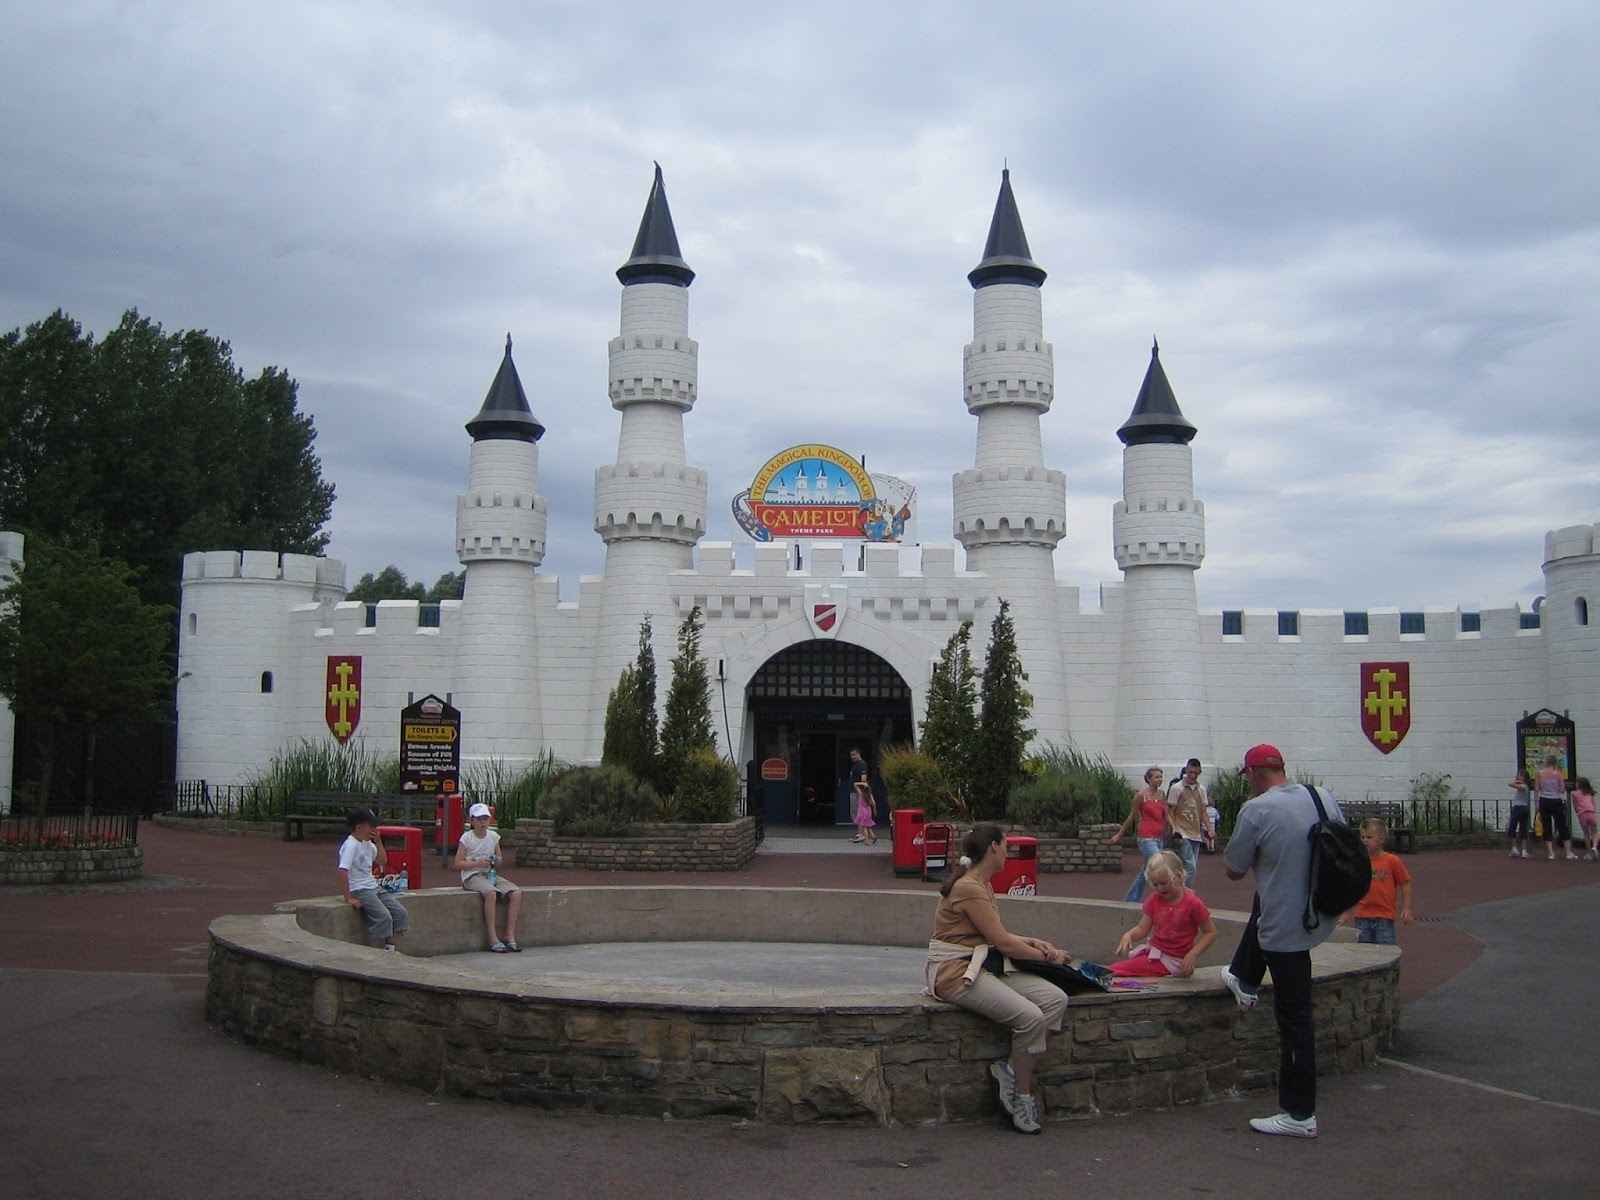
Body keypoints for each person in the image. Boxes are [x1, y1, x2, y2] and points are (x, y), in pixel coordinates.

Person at [1221, 744, 1343, 1139]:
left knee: (1295, 1019)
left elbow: (1234, 870)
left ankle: (1299, 1113)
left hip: (1286, 929)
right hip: (1320, 910)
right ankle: (1244, 977)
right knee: (1265, 900)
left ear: (1254, 774)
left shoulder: (1256, 809)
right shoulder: (1319, 796)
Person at [924, 823, 1071, 1135]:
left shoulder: (982, 884)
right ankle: (1022, 1095)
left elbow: (996, 935)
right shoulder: (969, 888)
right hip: (954, 972)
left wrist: (1031, 941)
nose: (1008, 853)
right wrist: (1051, 957)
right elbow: (1003, 944)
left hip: (983, 964)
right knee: (1031, 1018)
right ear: (993, 846)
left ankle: (1007, 1072)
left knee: (1055, 1000)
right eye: (1006, 846)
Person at [1110, 850, 1217, 977]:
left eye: (1163, 883)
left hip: (1175, 961)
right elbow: (1142, 928)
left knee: (1117, 970)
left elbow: (1211, 932)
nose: (1160, 888)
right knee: (1128, 965)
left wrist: (1192, 954)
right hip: (1157, 953)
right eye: (1155, 885)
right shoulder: (1155, 899)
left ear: (1178, 877)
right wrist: (1129, 935)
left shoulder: (1192, 903)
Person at [453, 801, 523, 952]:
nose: (482, 822)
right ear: (472, 821)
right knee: (491, 893)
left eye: (485, 818)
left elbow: (499, 858)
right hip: (472, 875)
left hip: (489, 873)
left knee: (516, 893)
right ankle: (492, 937)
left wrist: (495, 860)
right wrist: (476, 863)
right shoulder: (467, 838)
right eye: (479, 819)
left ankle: (509, 935)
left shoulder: (493, 836)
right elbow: (458, 863)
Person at [338, 807, 409, 950]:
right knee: (383, 918)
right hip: (360, 888)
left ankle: (390, 949)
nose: (374, 829)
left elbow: (382, 861)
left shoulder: (368, 844)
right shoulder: (351, 845)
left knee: (400, 913)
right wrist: (349, 897)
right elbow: (342, 870)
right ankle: (373, 954)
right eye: (371, 826)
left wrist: (378, 842)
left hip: (373, 886)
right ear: (359, 827)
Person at [1339, 819, 1413, 943]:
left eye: (1369, 837)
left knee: (1386, 950)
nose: (1365, 840)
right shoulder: (1359, 861)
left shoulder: (1392, 861)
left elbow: (1405, 883)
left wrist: (1407, 908)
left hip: (1384, 915)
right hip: (1362, 915)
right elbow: (1352, 888)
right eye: (1362, 837)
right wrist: (1347, 912)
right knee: (1364, 952)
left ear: (1381, 839)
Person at [1108, 767, 1168, 903]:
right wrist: (1119, 835)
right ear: (1148, 779)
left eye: (1160, 777)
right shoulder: (1141, 796)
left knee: (1145, 871)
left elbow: (1166, 815)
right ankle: (1163, 897)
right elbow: (1131, 817)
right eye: (1156, 777)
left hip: (1159, 836)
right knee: (1159, 864)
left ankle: (1131, 899)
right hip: (1146, 837)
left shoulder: (1162, 795)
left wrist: (1174, 828)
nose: (1159, 779)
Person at [1166, 759, 1214, 886]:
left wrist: (1209, 828)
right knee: (1190, 865)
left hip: (1196, 832)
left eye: (1196, 773)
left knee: (1186, 865)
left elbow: (1203, 811)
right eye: (1191, 772)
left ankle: (1177, 889)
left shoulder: (1201, 789)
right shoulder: (1177, 788)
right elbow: (1170, 811)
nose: (1193, 776)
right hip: (1182, 831)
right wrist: (1174, 828)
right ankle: (1187, 894)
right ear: (1186, 771)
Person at [1535, 755, 1575, 860]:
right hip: (1556, 800)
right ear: (1555, 763)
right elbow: (1562, 789)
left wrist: (1536, 804)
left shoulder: (1539, 773)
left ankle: (1551, 852)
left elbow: (1536, 789)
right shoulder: (1558, 774)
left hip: (1543, 800)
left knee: (1546, 825)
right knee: (1561, 825)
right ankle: (1568, 852)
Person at [849, 747, 878, 845]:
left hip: (858, 793)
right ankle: (862, 834)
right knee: (857, 813)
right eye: (851, 755)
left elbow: (863, 778)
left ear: (858, 754)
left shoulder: (861, 765)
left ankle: (861, 834)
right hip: (856, 792)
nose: (852, 757)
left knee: (858, 813)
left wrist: (861, 790)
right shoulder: (856, 765)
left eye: (854, 755)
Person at [1506, 770, 1533, 859]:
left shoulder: (1524, 786)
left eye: (1521, 776)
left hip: (1518, 807)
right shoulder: (1526, 786)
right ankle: (1523, 851)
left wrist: (1517, 781)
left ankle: (1516, 849)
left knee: (1513, 828)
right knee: (1522, 829)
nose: (1518, 777)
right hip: (1524, 808)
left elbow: (1510, 784)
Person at [1571, 777, 1597, 860]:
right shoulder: (1590, 792)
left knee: (1586, 833)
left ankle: (1589, 853)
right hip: (1591, 812)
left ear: (1579, 784)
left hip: (1582, 814)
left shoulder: (1574, 794)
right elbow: (1593, 804)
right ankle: (1595, 847)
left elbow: (1575, 806)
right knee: (1594, 832)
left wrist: (1577, 813)